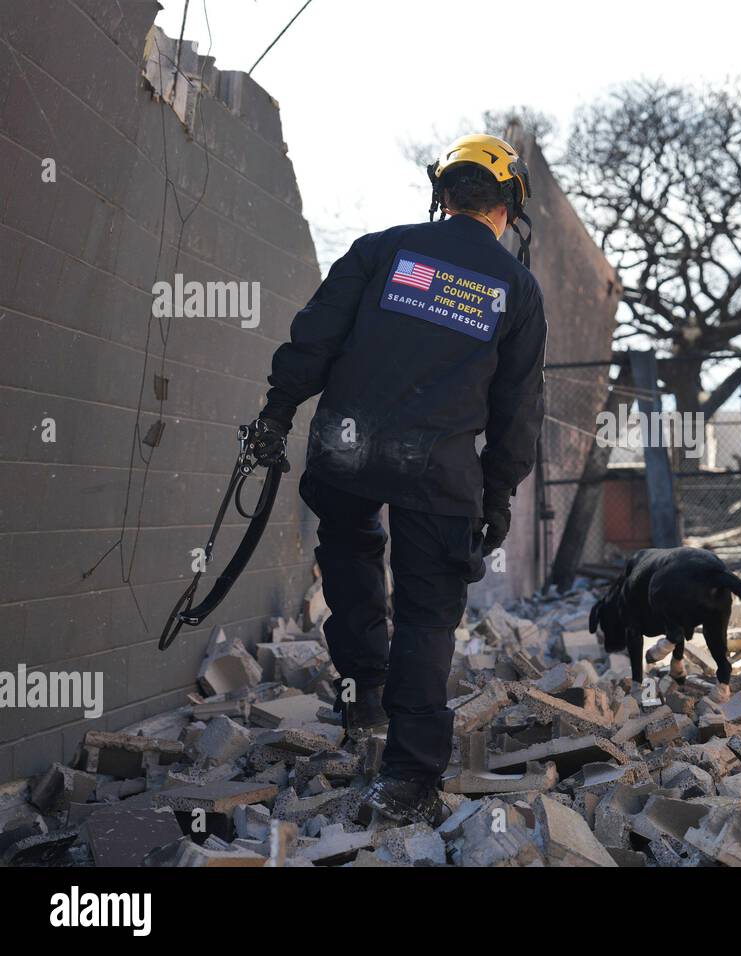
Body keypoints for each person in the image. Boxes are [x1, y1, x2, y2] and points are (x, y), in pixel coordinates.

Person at [244, 134, 546, 825]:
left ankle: (363, 701)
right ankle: (409, 776)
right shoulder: (518, 290)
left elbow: (313, 339)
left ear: (443, 194)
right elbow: (517, 410)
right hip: (439, 471)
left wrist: (275, 413)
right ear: (509, 204)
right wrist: (497, 494)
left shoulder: (381, 250)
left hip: (346, 450)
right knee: (426, 614)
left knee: (349, 555)